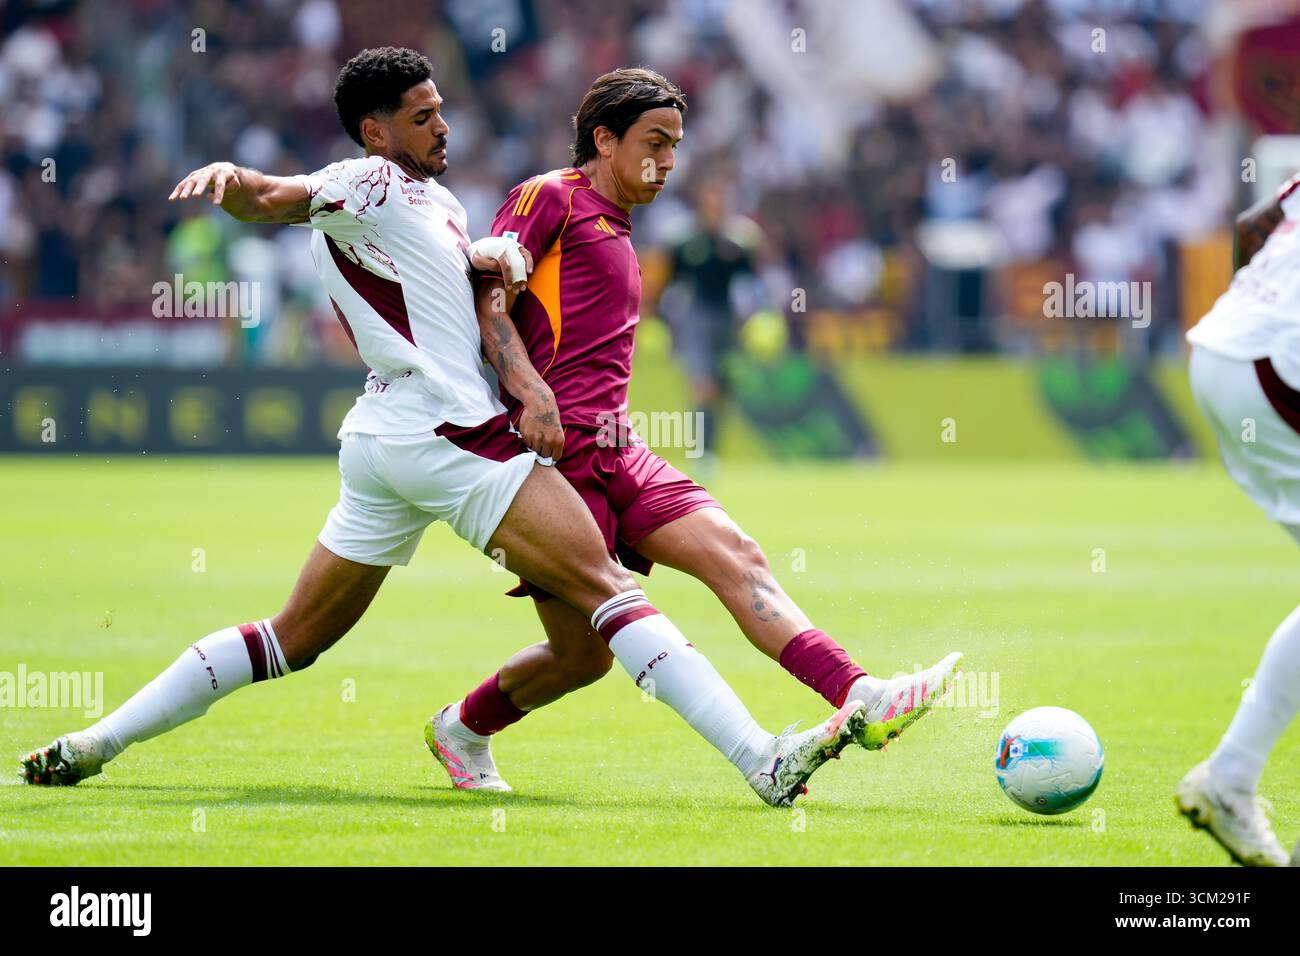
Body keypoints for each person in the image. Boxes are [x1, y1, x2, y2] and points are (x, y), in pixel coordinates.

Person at [19, 48, 864, 808]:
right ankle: (763, 758)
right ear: (373, 131)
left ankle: (96, 742)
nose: (441, 125)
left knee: (292, 639)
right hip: (451, 433)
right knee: (612, 592)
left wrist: (495, 268)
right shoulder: (366, 182)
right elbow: (278, 198)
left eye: (440, 109)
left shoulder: (438, 203)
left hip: (384, 440)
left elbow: (433, 298)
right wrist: (233, 180)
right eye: (420, 116)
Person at [427, 68, 962, 793]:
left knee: (736, 554)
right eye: (655, 142)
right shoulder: (549, 195)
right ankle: (461, 728)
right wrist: (525, 388)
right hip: (554, 462)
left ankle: (860, 697)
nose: (669, 161)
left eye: (676, 145)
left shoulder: (621, 221)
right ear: (604, 138)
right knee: (582, 659)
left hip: (617, 446)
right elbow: (489, 282)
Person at [1176, 171, 1300, 865]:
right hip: (1275, 369)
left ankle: (1232, 776)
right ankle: (1228, 778)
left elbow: (1253, 223)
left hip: (1225, 348)